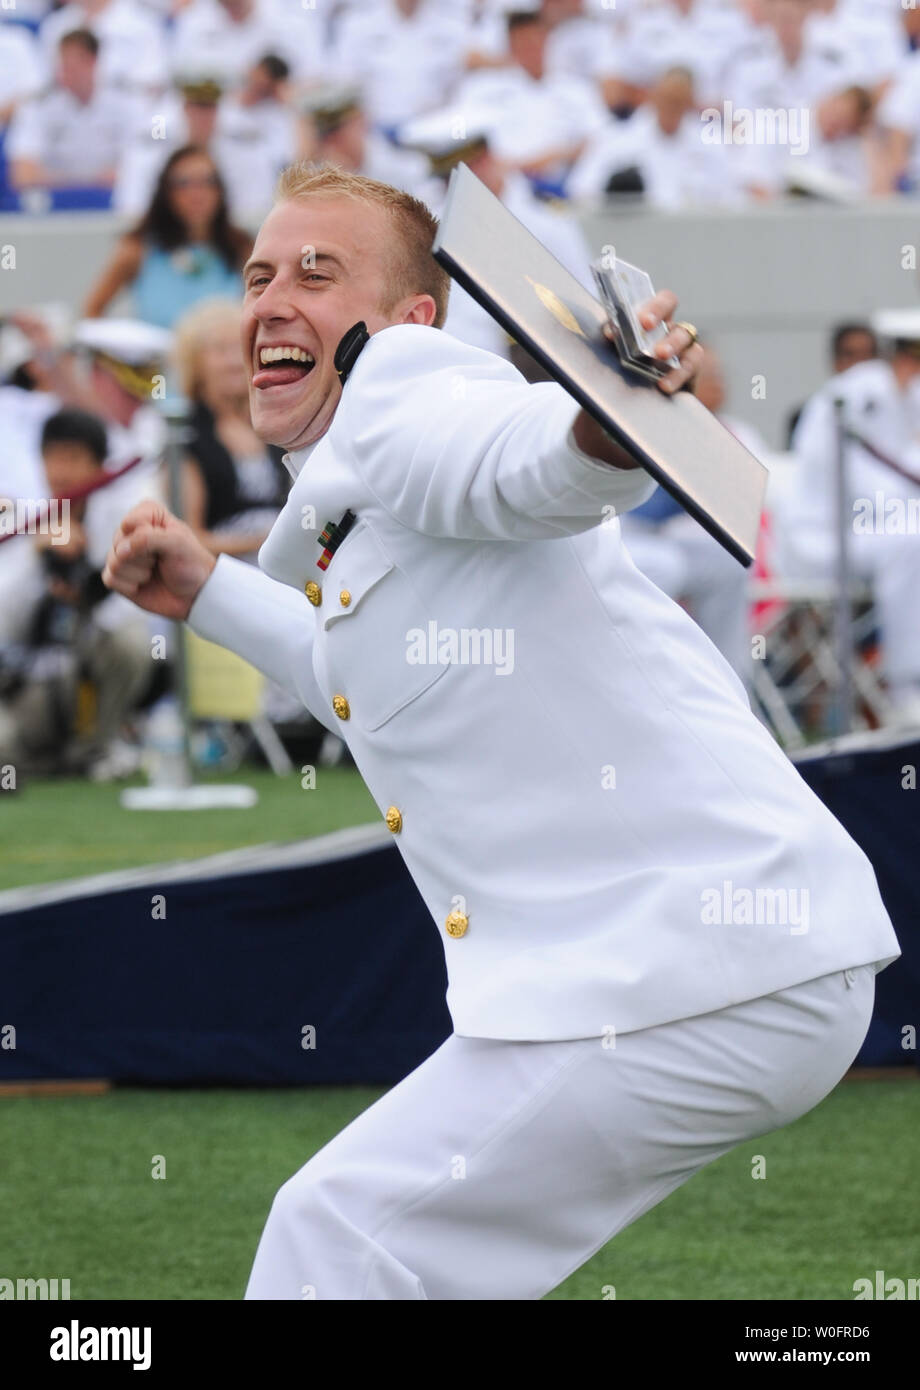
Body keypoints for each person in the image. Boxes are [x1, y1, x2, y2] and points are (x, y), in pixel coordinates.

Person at [103, 163, 899, 1301]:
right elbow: (349, 670)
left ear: (411, 318)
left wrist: (604, 427)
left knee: (337, 1236)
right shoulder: (363, 492)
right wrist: (205, 589)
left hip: (698, 968)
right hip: (711, 968)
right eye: (258, 273)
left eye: (318, 273)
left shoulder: (407, 390)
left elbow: (529, 459)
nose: (271, 298)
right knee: (384, 1250)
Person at [0, 408, 152, 780]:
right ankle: (49, 763)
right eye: (53, 458)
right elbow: (5, 624)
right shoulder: (25, 519)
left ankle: (94, 752)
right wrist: (38, 557)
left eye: (73, 459)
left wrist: (88, 574)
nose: (62, 471)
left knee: (131, 644)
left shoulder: (118, 518)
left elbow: (131, 615)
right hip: (29, 685)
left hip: (87, 673)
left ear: (100, 466)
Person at [788, 308, 920, 724]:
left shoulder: (902, 397)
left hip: (862, 535)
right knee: (909, 540)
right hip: (821, 542)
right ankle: (905, 686)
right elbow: (875, 492)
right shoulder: (860, 393)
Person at [172, 297, 290, 560]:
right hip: (224, 574)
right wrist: (264, 542)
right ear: (196, 364)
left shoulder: (273, 425)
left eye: (239, 349)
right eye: (220, 350)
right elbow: (188, 536)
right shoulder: (187, 436)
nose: (234, 362)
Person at [86, 145, 251, 329]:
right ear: (165, 191)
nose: (196, 193)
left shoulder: (241, 247)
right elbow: (92, 311)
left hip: (223, 356)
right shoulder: (138, 247)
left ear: (221, 190)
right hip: (157, 356)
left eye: (208, 181)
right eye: (183, 183)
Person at [6, 28, 135, 194]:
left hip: (114, 199)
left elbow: (143, 166)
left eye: (73, 65)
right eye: (63, 65)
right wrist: (88, 182)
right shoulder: (38, 106)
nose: (65, 73)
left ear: (92, 62)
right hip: (57, 204)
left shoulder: (125, 102)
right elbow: (22, 175)